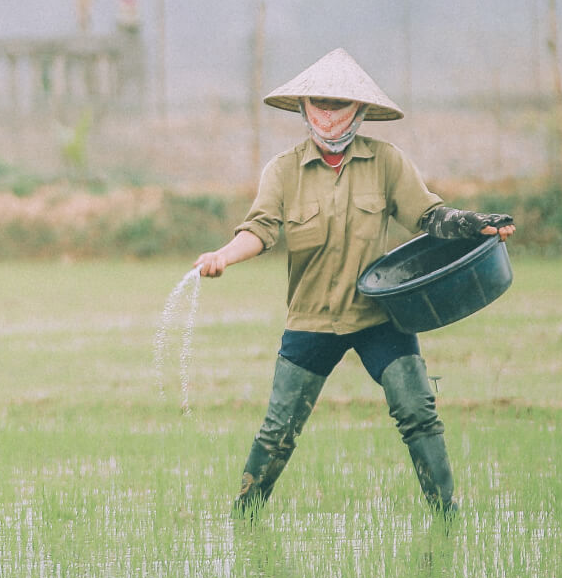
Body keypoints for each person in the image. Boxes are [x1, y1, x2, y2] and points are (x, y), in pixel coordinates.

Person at [196, 48, 512, 517]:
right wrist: (223, 256)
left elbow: (429, 216)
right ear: (303, 107)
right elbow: (259, 231)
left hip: (378, 317)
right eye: (319, 104)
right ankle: (244, 517)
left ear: (359, 110)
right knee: (278, 429)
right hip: (311, 319)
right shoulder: (283, 170)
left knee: (418, 412)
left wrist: (473, 223)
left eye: (338, 104)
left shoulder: (386, 162)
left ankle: (447, 515)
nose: (327, 114)